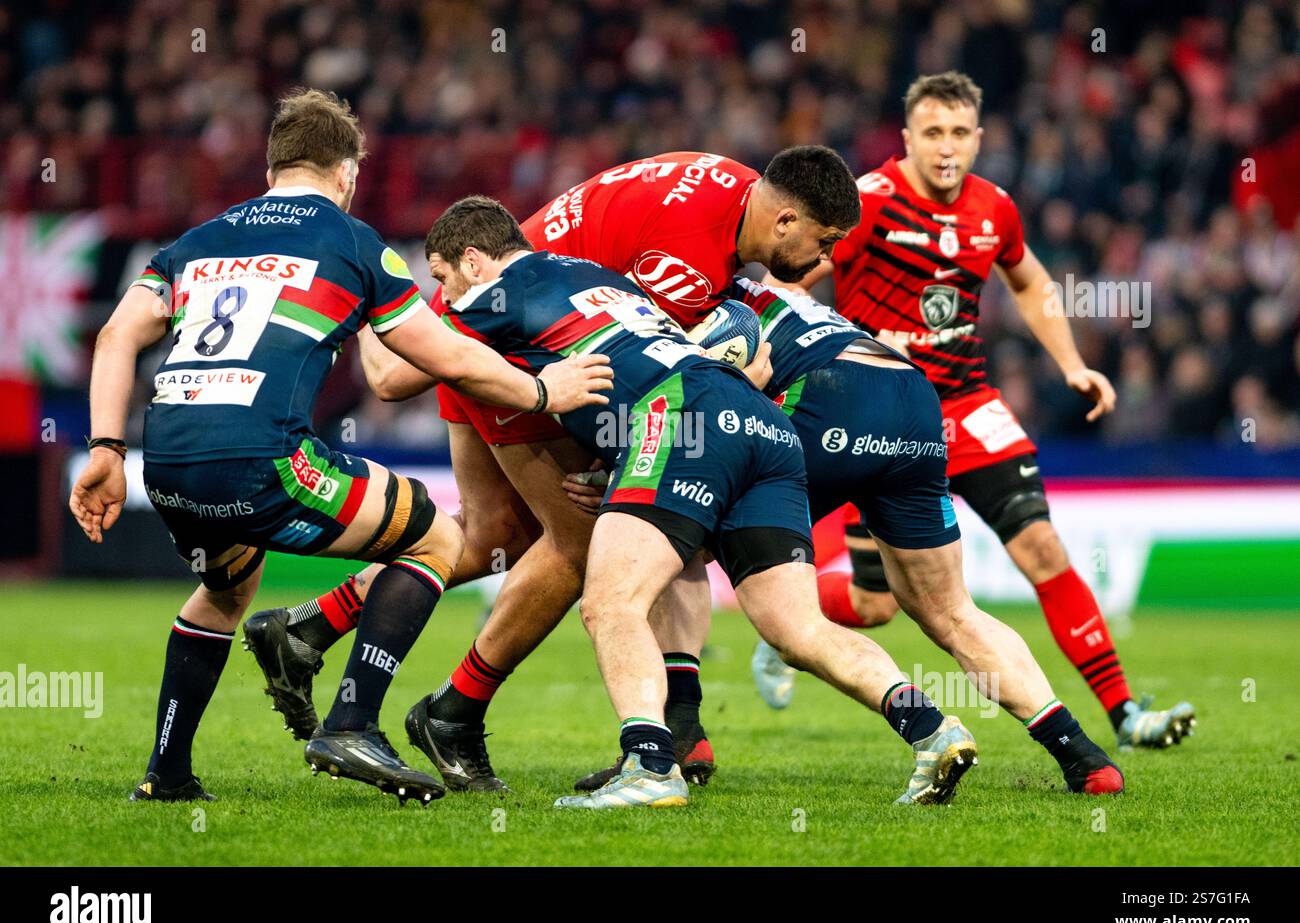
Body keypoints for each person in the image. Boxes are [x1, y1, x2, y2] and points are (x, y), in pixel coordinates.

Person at [244, 147, 860, 788]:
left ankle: (313, 628)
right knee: (584, 542)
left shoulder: (725, 190)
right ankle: (458, 711)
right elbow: (641, 367)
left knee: (495, 534)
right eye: (825, 242)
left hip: (526, 324)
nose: (826, 261)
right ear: (785, 219)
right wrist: (377, 291)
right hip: (524, 347)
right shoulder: (689, 255)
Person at [67, 90, 612, 805]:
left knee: (226, 588)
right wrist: (544, 390)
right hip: (262, 459)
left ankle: (167, 774)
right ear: (347, 172)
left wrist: (106, 450)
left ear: (271, 170)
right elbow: (445, 355)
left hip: (165, 461)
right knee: (435, 538)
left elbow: (114, 336)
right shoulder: (353, 242)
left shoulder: (194, 243)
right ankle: (352, 724)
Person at [405, 195, 981, 809]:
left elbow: (397, 374)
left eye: (442, 278)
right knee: (799, 629)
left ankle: (650, 767)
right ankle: (932, 729)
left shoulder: (502, 290)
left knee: (612, 601)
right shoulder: (601, 277)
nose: (443, 294)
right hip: (766, 425)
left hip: (682, 418)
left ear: (473, 261)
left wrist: (374, 294)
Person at [760, 72, 1194, 750]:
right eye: (932, 132)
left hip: (967, 406)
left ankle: (1125, 714)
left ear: (979, 138)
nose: (947, 147)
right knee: (876, 604)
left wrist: (1072, 364)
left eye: (960, 133)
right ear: (907, 138)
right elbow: (785, 282)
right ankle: (790, 630)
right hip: (883, 421)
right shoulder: (871, 202)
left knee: (1043, 548)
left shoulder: (995, 208)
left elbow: (1031, 281)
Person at [569, 282, 1125, 797]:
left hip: (825, 398)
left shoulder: (675, 295)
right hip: (910, 394)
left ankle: (681, 730)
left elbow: (745, 370)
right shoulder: (758, 284)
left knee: (676, 530)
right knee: (951, 611)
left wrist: (631, 476)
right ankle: (1082, 756)